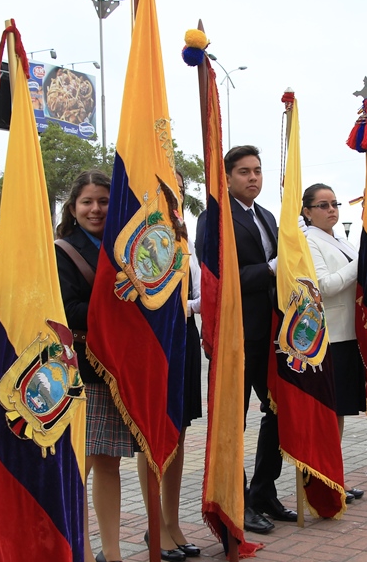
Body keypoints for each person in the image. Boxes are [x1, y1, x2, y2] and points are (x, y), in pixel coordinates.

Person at [196, 145, 291, 535]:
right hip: (238, 332)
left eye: (257, 170)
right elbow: (219, 275)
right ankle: (235, 501)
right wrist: (268, 269)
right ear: (228, 177)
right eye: (244, 172)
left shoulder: (267, 216)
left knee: (278, 412)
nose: (253, 178)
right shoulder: (214, 218)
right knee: (235, 418)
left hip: (274, 332)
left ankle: (263, 490)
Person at [56, 171, 128, 562]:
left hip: (117, 369)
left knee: (109, 463)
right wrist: (118, 309)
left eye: (103, 201)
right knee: (78, 465)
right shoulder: (62, 250)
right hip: (80, 368)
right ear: (73, 208)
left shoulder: (125, 249)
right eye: (87, 202)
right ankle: (78, 550)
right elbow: (66, 311)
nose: (96, 209)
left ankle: (112, 552)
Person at [136, 170, 200, 561]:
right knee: (153, 434)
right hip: (152, 340)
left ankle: (172, 520)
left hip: (185, 337)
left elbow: (189, 290)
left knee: (178, 434)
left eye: (177, 184)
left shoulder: (181, 229)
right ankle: (154, 524)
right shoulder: (137, 230)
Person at [301, 183, 365, 502]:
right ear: (307, 211)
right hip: (330, 336)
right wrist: (361, 262)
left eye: (334, 204)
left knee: (338, 411)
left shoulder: (341, 240)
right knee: (329, 412)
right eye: (323, 205)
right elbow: (323, 285)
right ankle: (322, 475)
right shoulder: (310, 241)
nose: (331, 210)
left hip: (349, 333)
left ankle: (333, 474)